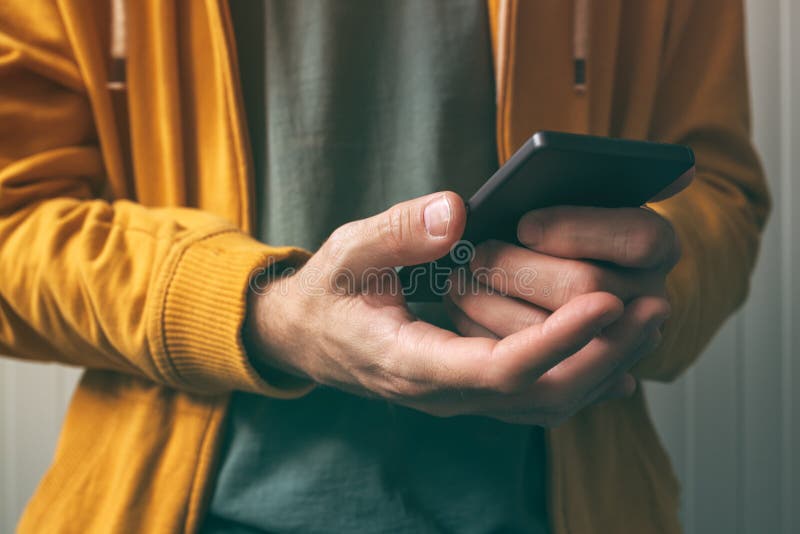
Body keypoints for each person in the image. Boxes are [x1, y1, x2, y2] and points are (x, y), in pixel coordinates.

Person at [1, 1, 769, 533]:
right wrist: (267, 314)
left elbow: (718, 193)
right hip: (177, 511)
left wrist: (623, 288)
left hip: (559, 510)